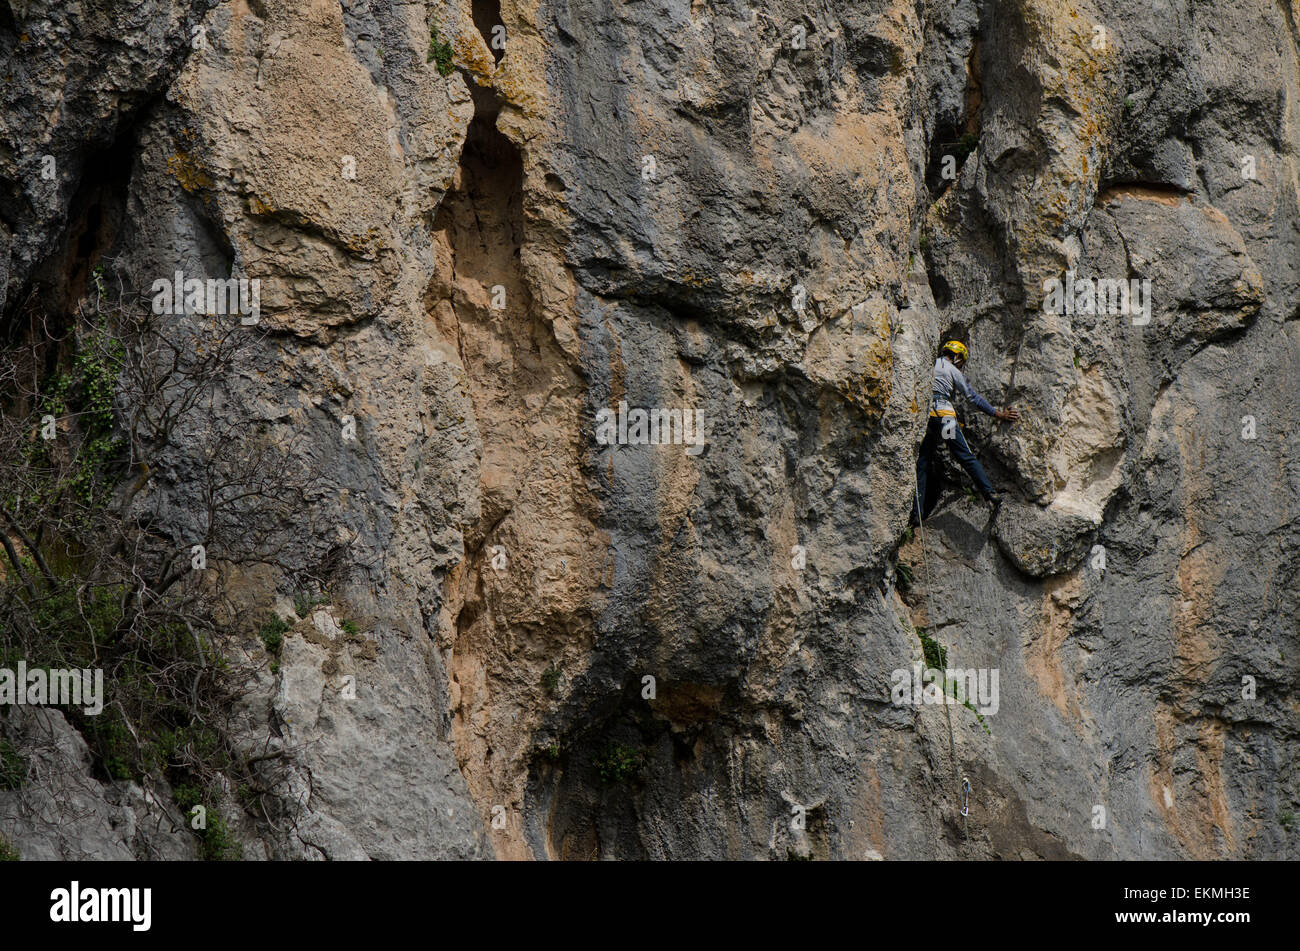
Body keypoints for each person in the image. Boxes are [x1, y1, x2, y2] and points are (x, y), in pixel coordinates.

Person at [912, 340, 1019, 524]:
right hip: (945, 419)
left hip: (928, 420)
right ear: (957, 356)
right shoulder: (954, 371)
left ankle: (917, 514)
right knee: (963, 455)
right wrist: (999, 414)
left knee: (922, 462)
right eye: (961, 361)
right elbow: (973, 398)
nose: (961, 365)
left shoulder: (930, 364)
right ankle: (988, 492)